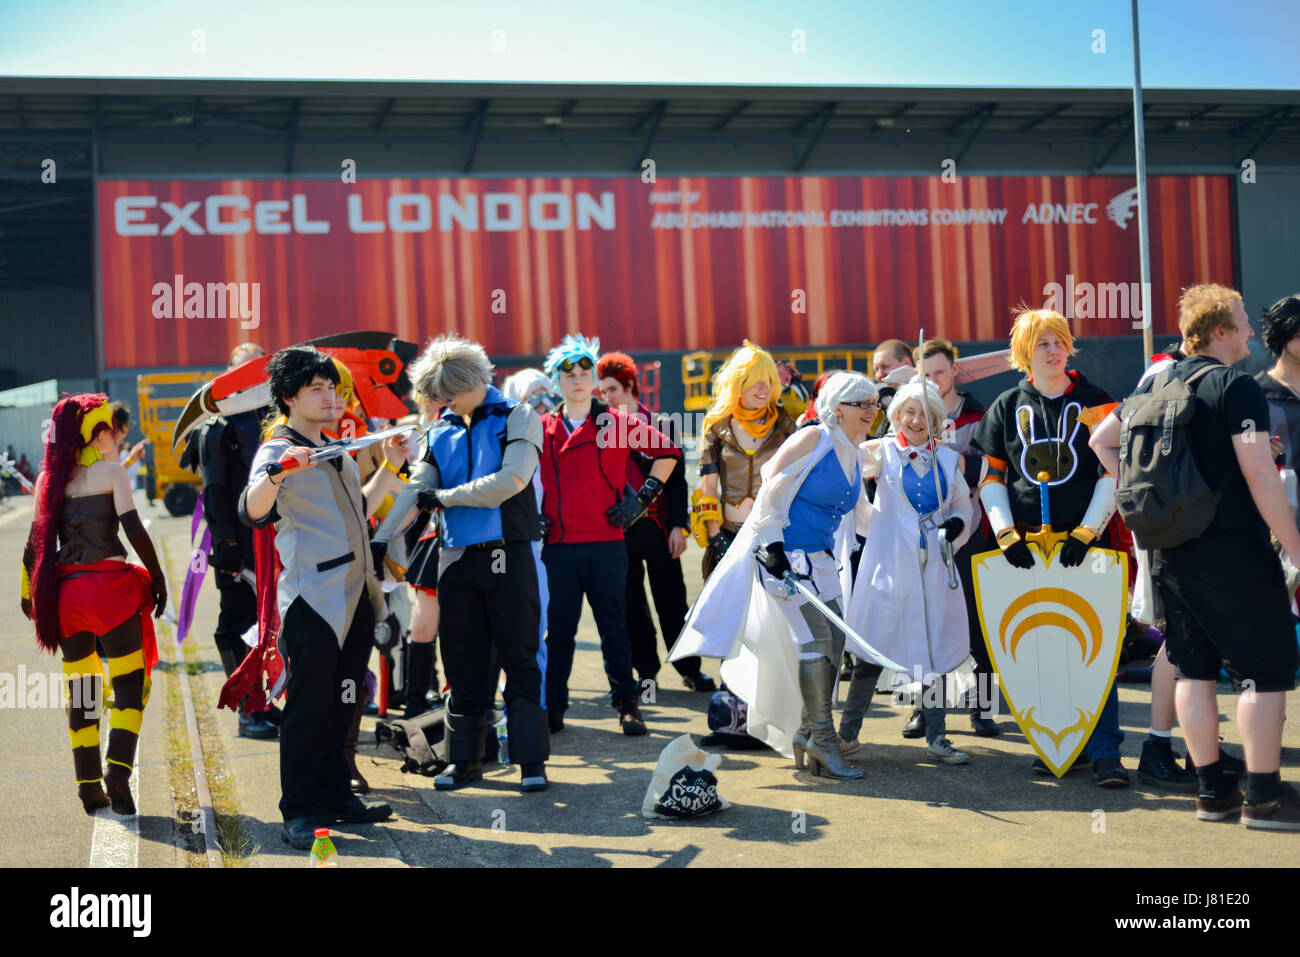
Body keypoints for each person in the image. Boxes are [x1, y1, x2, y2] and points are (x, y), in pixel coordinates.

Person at [1091, 284, 1300, 828]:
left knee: (1194, 672)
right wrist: (1298, 547)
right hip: (1233, 550)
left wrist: (1161, 502)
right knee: (1263, 673)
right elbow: (1259, 474)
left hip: (1169, 553)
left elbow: (1101, 442)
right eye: (1242, 323)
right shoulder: (1237, 388)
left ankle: (1212, 792)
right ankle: (1265, 797)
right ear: (1222, 332)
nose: (1253, 333)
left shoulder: (1155, 381)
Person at [672, 372, 877, 780]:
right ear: (838, 408)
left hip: (821, 561)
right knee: (817, 643)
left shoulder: (854, 452)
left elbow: (865, 518)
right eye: (862, 404)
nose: (872, 411)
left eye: (874, 403)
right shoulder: (813, 438)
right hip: (785, 559)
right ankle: (822, 736)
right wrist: (774, 547)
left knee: (834, 643)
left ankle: (807, 732)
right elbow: (770, 489)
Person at [240, 346, 403, 849]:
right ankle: (300, 810)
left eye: (332, 387)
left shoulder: (335, 446)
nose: (330, 395)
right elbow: (251, 508)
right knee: (308, 707)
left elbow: (360, 509)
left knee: (346, 701)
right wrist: (277, 474)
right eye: (317, 387)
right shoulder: (276, 449)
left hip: (356, 595)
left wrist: (392, 466)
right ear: (289, 396)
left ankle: (336, 795)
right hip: (313, 599)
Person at [376, 336, 551, 791]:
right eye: (435, 395)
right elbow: (418, 488)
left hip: (508, 556)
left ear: (475, 380)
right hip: (455, 560)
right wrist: (379, 538)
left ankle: (531, 762)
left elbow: (511, 481)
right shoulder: (441, 427)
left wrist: (445, 499)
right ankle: (463, 761)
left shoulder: (519, 417)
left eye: (445, 393)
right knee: (461, 662)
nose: (439, 402)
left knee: (521, 658)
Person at [973, 308, 1130, 788]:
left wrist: (1087, 531)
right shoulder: (1003, 406)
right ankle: (1058, 743)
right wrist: (1005, 534)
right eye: (1043, 343)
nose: (1054, 350)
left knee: (1097, 649)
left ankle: (1105, 753)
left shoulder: (1096, 400)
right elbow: (991, 478)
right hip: (1025, 549)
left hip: (1091, 547)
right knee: (1041, 649)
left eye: (1059, 340)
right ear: (1024, 352)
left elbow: (1112, 472)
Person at [21, 394, 167, 815]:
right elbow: (135, 530)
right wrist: (157, 579)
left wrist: (27, 593)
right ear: (97, 433)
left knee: (82, 689)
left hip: (67, 596)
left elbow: (34, 546)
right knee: (130, 684)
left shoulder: (50, 478)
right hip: (110, 593)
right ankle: (118, 769)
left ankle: (88, 784)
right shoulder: (111, 473)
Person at [537, 334, 681, 736]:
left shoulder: (616, 423)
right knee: (559, 631)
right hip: (559, 548)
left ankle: (628, 705)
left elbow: (668, 453)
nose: (579, 381)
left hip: (605, 544)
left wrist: (642, 500)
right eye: (570, 375)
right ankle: (554, 707)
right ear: (557, 382)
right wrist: (531, 515)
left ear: (594, 381)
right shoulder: (541, 428)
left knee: (614, 627)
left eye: (585, 373)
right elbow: (519, 475)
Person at [845, 380, 976, 764]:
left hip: (934, 570)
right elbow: (846, 458)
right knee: (871, 651)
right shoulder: (880, 452)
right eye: (909, 412)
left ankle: (938, 738)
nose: (917, 420)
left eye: (926, 413)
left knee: (933, 650)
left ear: (937, 419)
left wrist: (956, 524)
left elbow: (962, 507)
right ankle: (846, 735)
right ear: (897, 416)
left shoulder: (951, 460)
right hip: (888, 568)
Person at [897, 338, 1000, 740]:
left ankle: (983, 707)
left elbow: (992, 467)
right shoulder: (908, 414)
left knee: (977, 623)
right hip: (918, 538)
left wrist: (952, 456)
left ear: (954, 371)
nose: (933, 380)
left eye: (940, 372)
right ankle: (920, 709)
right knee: (919, 622)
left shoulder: (981, 414)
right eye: (925, 374)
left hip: (970, 533)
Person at [596, 351, 715, 693]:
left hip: (660, 528)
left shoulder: (661, 424)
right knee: (631, 605)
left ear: (630, 385)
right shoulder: (603, 429)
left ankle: (690, 668)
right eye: (603, 392)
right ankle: (645, 672)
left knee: (673, 601)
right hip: (620, 530)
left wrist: (680, 527)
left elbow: (677, 481)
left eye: (612, 390)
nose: (607, 398)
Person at [196, 343, 278, 740]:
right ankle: (248, 708)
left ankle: (267, 702)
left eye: (257, 369)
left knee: (270, 627)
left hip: (273, 541)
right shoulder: (217, 426)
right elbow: (214, 491)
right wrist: (225, 543)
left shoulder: (275, 416)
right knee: (237, 624)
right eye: (241, 371)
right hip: (236, 544)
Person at [693, 341, 800, 581]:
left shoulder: (785, 424)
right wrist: (714, 537)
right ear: (738, 385)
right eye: (755, 381)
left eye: (769, 380)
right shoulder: (717, 428)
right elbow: (707, 488)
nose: (764, 388)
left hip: (775, 537)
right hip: (729, 535)